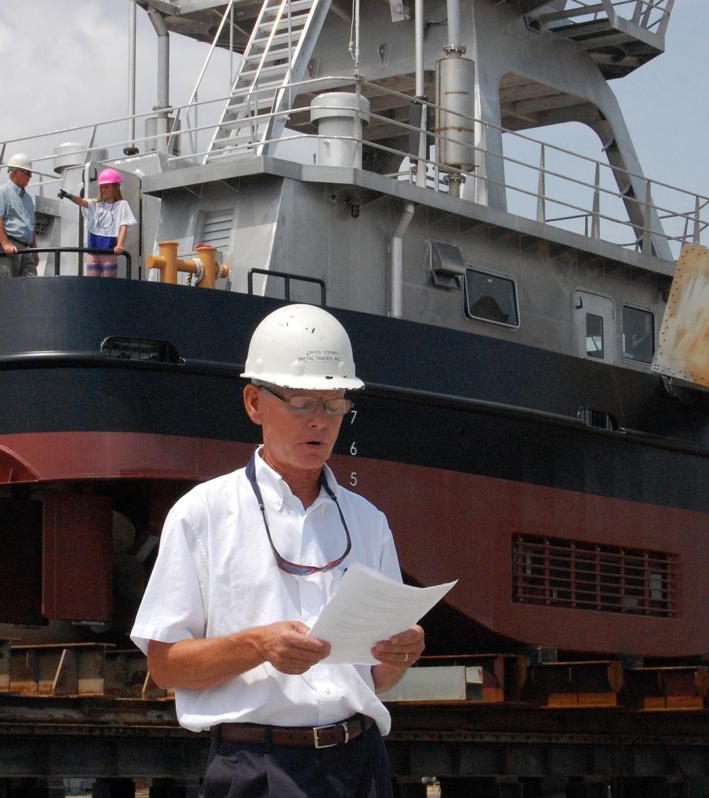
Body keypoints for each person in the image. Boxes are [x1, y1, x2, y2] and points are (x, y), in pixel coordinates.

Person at [130, 304, 425, 798]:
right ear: (253, 402)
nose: (321, 421)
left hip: (360, 765)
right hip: (255, 769)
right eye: (303, 402)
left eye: (335, 405)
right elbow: (165, 666)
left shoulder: (369, 523)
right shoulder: (202, 515)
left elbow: (379, 678)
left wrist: (401, 653)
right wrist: (259, 646)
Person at [57, 167, 136, 277]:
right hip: (93, 249)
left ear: (115, 188)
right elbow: (83, 202)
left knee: (109, 284)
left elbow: (124, 226)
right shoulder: (97, 204)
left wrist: (120, 245)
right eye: (102, 187)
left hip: (108, 250)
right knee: (92, 282)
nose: (103, 190)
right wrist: (68, 195)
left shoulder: (122, 205)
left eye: (107, 187)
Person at [0, 153, 38, 279]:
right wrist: (5, 244)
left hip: (25, 248)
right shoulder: (2, 192)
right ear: (16, 172)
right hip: (9, 245)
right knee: (10, 285)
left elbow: (31, 227)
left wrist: (35, 251)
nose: (30, 176)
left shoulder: (28, 199)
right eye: (27, 173)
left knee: (32, 282)